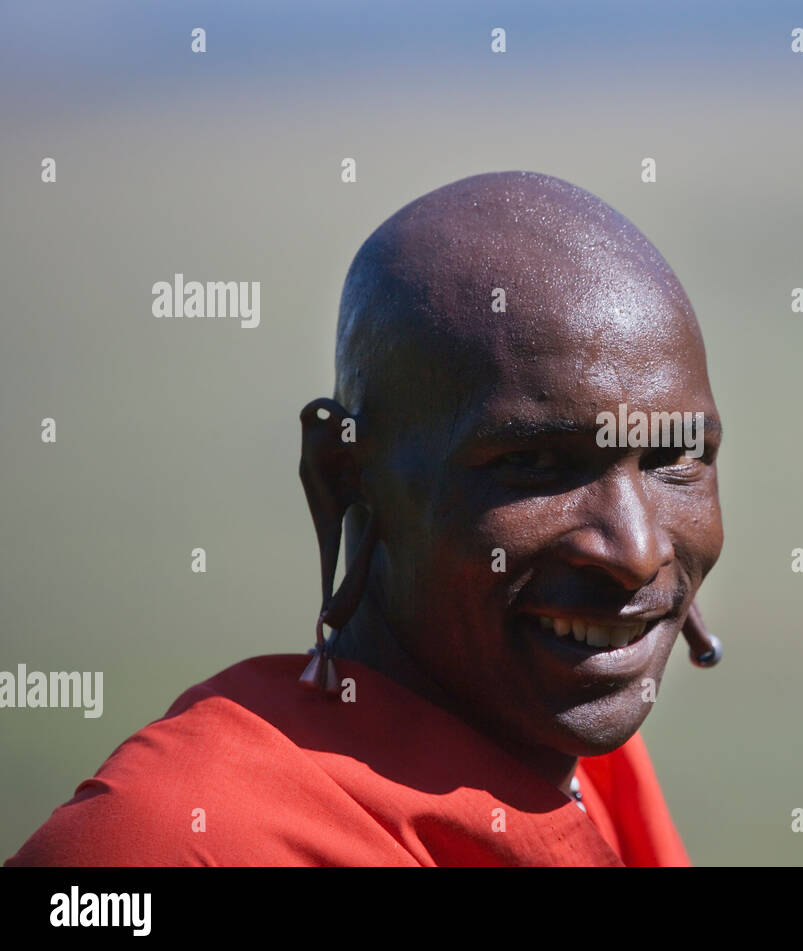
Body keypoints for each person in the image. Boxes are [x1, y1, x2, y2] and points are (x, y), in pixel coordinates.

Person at [6, 171, 724, 866]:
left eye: (676, 458)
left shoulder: (589, 772)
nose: (634, 551)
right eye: (535, 464)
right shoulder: (169, 846)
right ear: (343, 477)